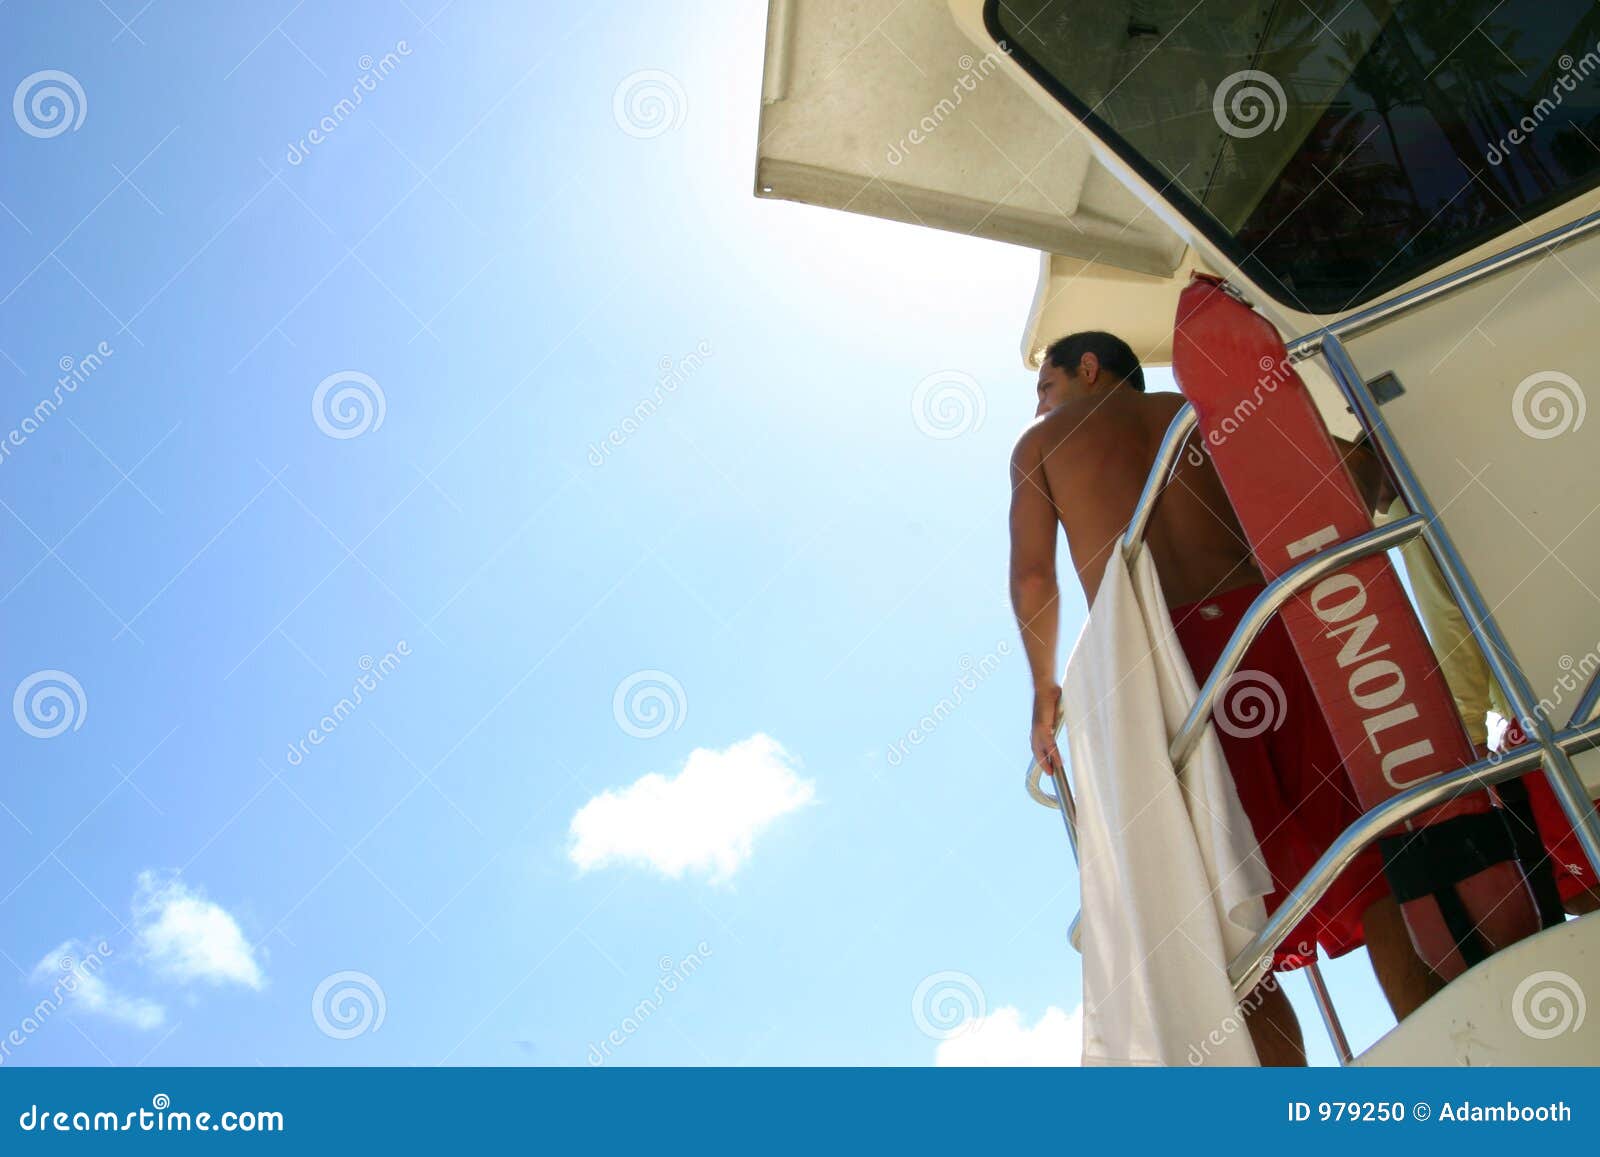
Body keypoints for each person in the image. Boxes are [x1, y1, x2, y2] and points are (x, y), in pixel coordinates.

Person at [1008, 331, 1439, 1066]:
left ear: (1087, 369)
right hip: (1268, 631)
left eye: (1045, 386)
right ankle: (1450, 1051)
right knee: (1366, 855)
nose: (1041, 404)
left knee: (1209, 896)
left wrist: (1044, 691)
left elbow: (1034, 581)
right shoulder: (1204, 410)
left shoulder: (1043, 442)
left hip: (1162, 662)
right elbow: (1314, 493)